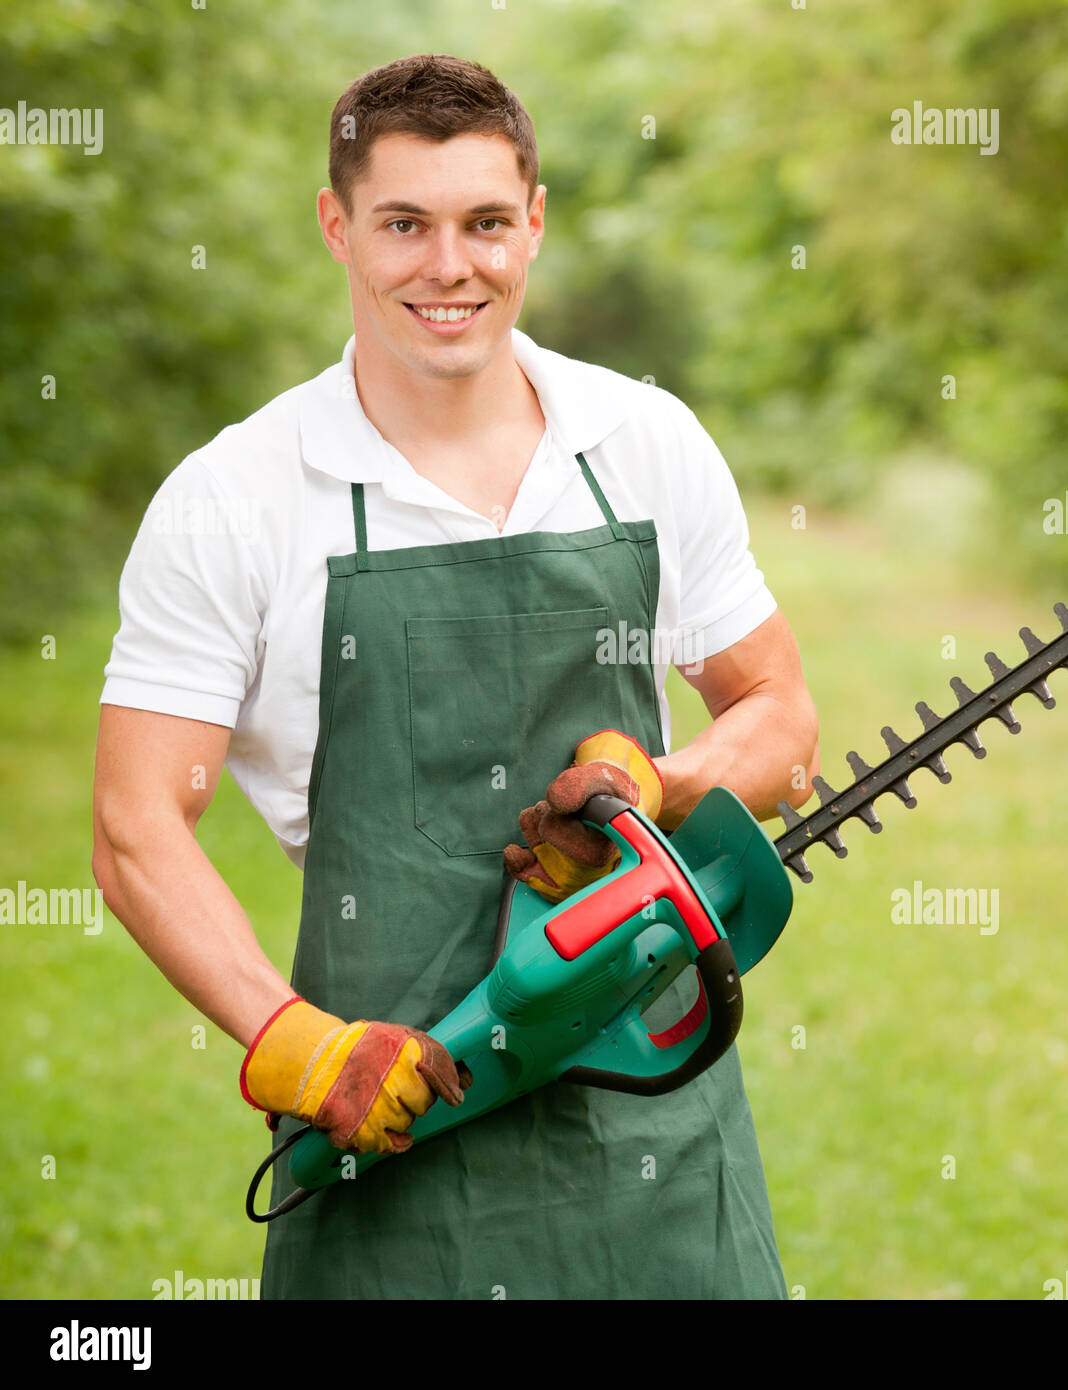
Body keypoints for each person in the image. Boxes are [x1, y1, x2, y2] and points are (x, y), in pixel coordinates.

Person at [92, 52, 819, 1300]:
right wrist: (294, 1047)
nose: (450, 266)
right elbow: (133, 824)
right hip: (397, 1114)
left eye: (486, 222)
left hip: (649, 1081)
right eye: (404, 225)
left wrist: (665, 785)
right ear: (338, 227)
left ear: (534, 219)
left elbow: (780, 715)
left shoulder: (640, 442)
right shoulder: (237, 498)